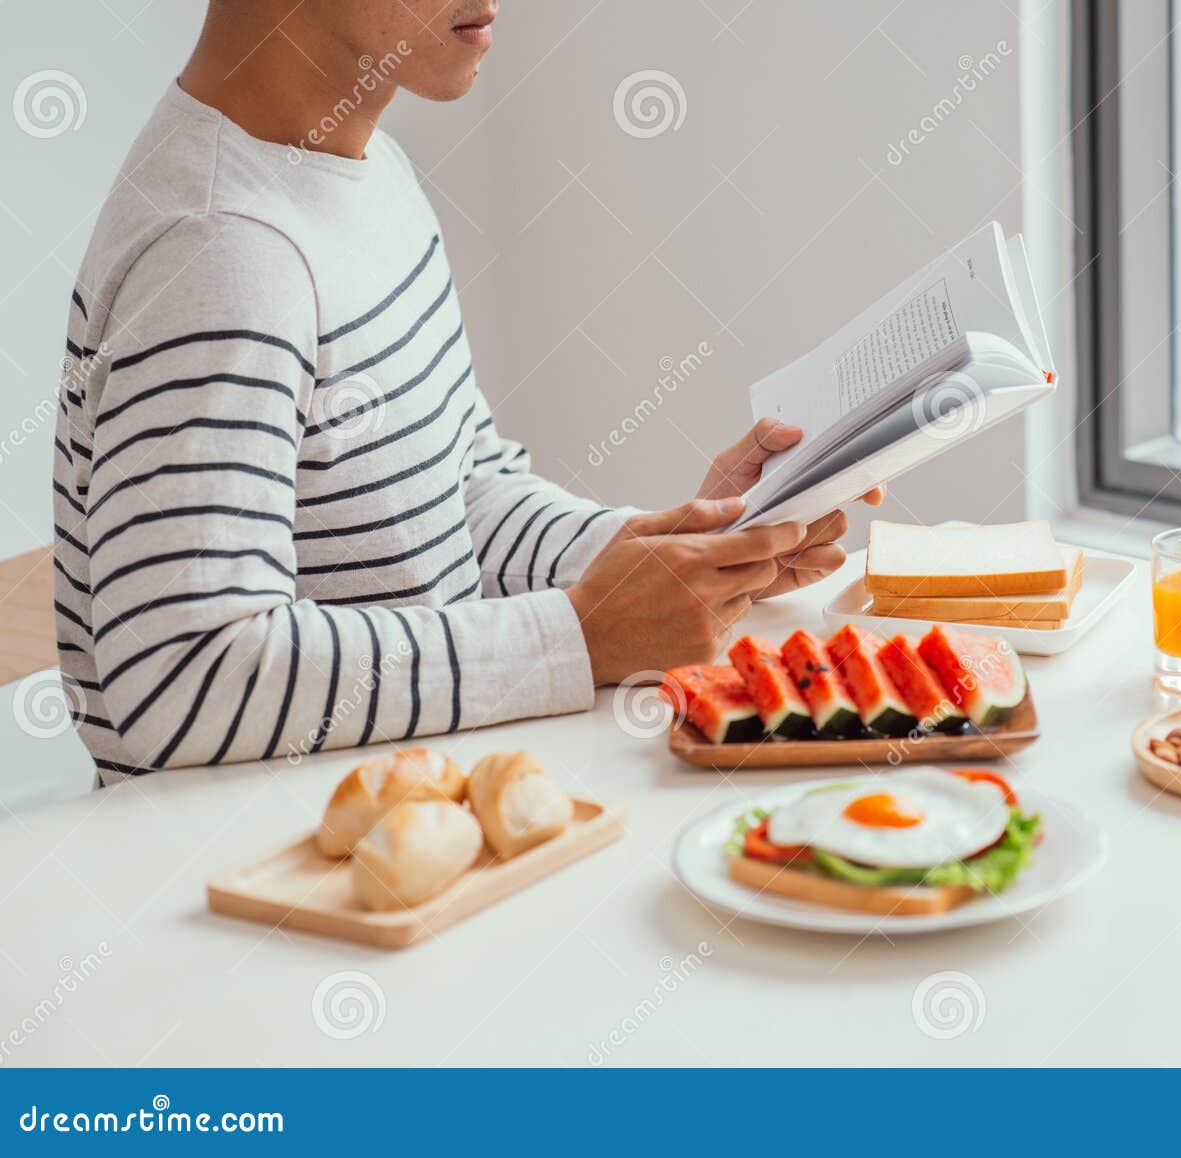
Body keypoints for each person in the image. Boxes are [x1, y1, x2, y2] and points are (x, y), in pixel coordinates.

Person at [51, 0, 878, 784]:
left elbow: (460, 492)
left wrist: (673, 560)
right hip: (267, 895)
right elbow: (188, 679)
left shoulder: (354, 169)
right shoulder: (222, 250)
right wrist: (579, 637)